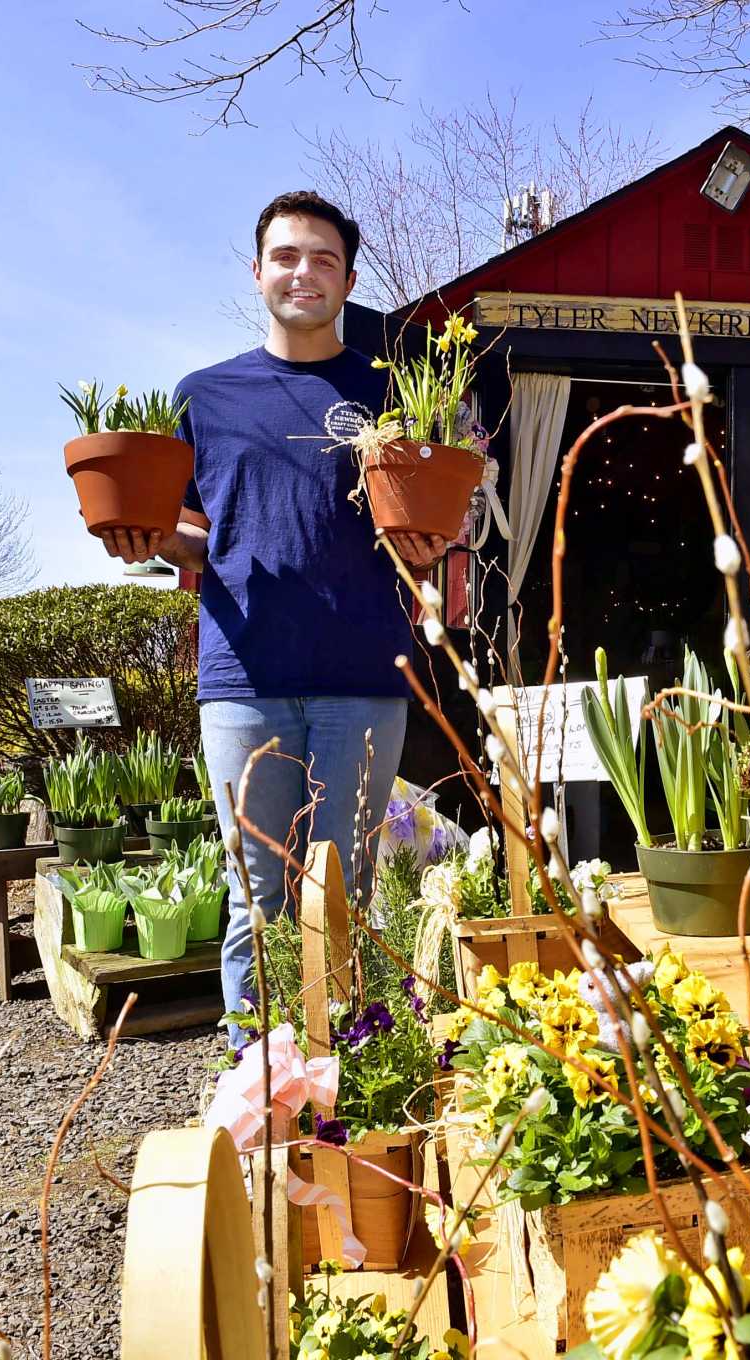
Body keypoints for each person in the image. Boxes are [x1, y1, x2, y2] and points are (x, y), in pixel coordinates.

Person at [101, 190, 446, 1040]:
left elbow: (433, 507)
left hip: (364, 677)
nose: (304, 272)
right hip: (243, 676)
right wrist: (148, 535)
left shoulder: (392, 393)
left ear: (349, 278)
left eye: (323, 259)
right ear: (258, 274)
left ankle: (347, 1076)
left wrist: (435, 539)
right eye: (287, 256)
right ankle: (255, 1078)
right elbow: (188, 526)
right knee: (259, 891)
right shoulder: (204, 395)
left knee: (346, 888)